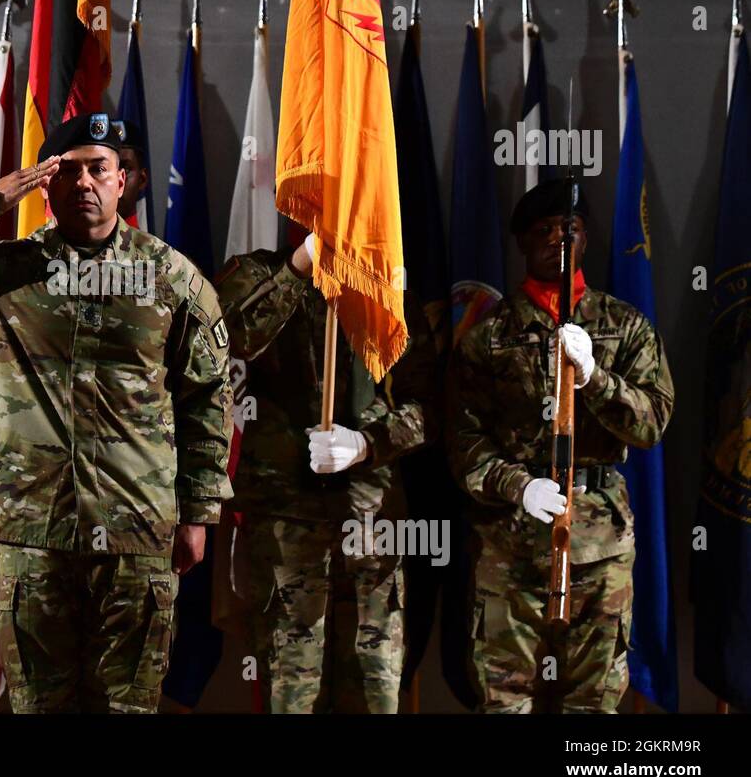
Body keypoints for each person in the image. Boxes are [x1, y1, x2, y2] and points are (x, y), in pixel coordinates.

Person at [0, 112, 233, 713]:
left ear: (124, 181)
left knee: (129, 705)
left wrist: (197, 513)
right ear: (46, 183)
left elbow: (206, 397)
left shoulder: (171, 278)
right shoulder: (6, 271)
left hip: (136, 530)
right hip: (35, 529)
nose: (85, 182)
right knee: (39, 705)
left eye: (100, 169)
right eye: (68, 170)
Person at [447, 178, 674, 713]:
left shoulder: (625, 327)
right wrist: (518, 486)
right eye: (544, 231)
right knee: (505, 699)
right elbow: (462, 441)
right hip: (510, 544)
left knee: (594, 704)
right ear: (523, 244)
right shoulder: (488, 336)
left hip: (601, 546)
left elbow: (652, 422)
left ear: (586, 239)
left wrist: (595, 376)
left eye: (569, 228)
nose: (558, 239)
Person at [217, 233, 438, 712]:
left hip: (371, 525)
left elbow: (430, 406)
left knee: (374, 689)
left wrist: (366, 444)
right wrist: (299, 267)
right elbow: (229, 339)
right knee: (290, 690)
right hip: (285, 525)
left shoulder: (389, 290)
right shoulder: (257, 273)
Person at [114, 119, 149, 227]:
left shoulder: (152, 244)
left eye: (126, 170)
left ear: (142, 179)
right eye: (101, 169)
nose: (116, 181)